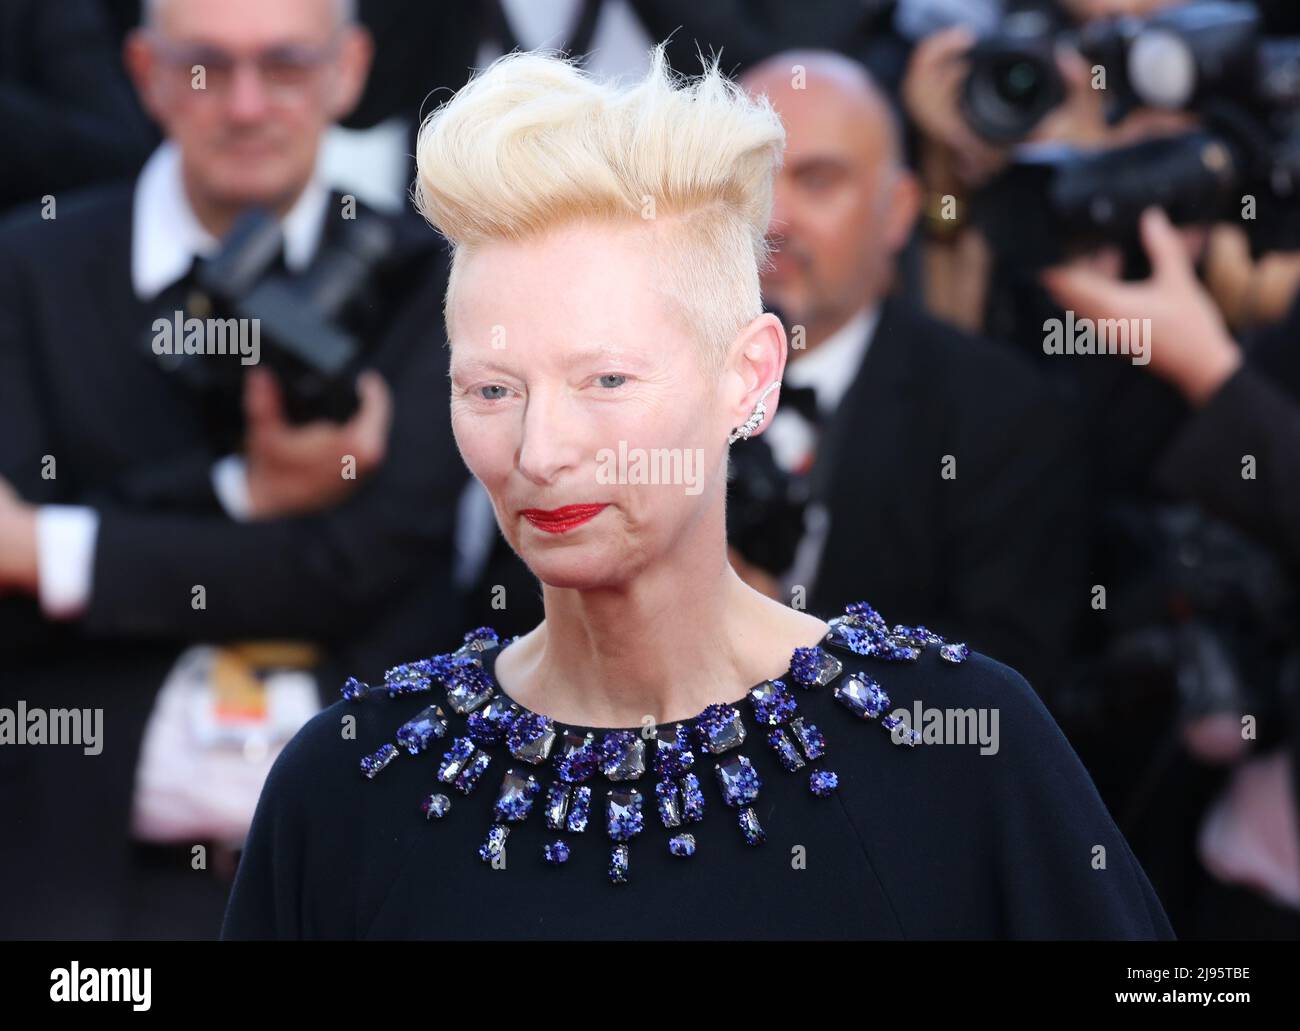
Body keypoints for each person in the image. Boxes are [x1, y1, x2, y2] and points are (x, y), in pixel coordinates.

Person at [221, 44, 1173, 940]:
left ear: (748, 377)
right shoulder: (352, 782)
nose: (539, 451)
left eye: (607, 381)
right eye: (493, 390)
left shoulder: (956, 746)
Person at [0, 0, 464, 938]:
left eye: (286, 64)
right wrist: (250, 496)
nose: (246, 105)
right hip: (81, 883)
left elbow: (368, 558)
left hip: (363, 880)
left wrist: (55, 552)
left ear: (349, 69)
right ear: (145, 72)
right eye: (207, 65)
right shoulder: (28, 267)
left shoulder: (431, 280)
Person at [731, 50, 1086, 699]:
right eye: (748, 181)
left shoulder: (1002, 416)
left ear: (898, 210)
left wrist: (786, 651)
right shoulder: (631, 389)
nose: (773, 220)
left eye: (817, 181)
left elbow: (1004, 690)